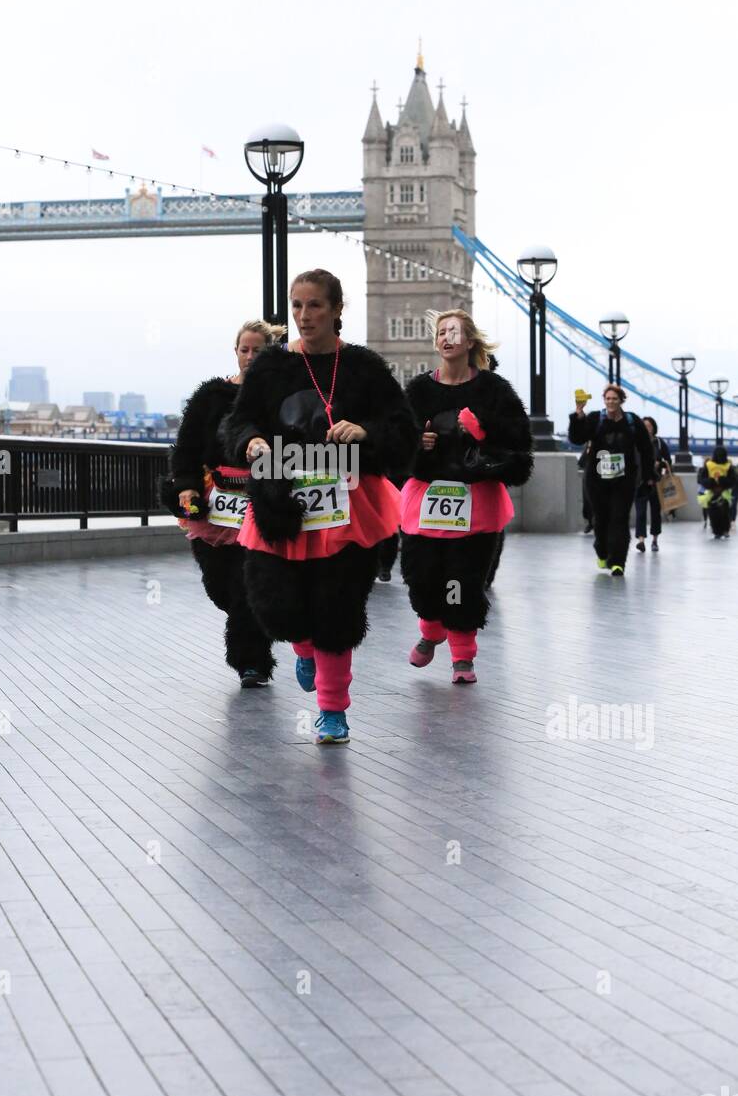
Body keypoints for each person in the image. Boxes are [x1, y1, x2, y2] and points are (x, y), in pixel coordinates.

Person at [225, 268, 417, 743]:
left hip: (348, 507)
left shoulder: (365, 367)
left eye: (314, 305)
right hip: (280, 501)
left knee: (338, 608)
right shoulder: (270, 368)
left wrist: (367, 432)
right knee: (278, 608)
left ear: (336, 311)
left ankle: (333, 710)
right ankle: (303, 648)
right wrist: (249, 442)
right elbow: (239, 421)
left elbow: (403, 431)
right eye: (296, 306)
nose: (303, 316)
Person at [399, 309, 533, 685]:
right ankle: (430, 629)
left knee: (462, 580)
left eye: (454, 332)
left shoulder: (495, 391)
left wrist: (483, 432)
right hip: (426, 501)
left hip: (475, 503)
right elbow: (394, 444)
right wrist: (416, 444)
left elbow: (520, 448)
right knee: (422, 578)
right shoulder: (418, 391)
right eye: (441, 332)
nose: (447, 338)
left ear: (470, 341)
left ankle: (462, 656)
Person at [165, 319, 283, 687]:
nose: (249, 357)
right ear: (235, 352)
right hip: (214, 504)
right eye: (244, 350)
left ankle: (252, 662)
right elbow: (185, 448)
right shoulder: (210, 397)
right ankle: (257, 627)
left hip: (260, 503)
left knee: (248, 585)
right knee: (220, 587)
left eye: (257, 351)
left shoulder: (278, 397)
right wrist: (185, 488)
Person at [569, 384, 655, 576]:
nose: (610, 402)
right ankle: (602, 551)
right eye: (607, 398)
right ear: (604, 400)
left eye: (614, 399)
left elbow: (646, 450)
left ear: (621, 401)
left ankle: (618, 562)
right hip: (597, 480)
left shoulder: (632, 422)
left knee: (619, 519)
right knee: (600, 520)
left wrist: (649, 476)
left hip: (623, 481)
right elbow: (576, 438)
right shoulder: (595, 419)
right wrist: (578, 415)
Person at [634, 415, 672, 553]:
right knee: (640, 513)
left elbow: (668, 462)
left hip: (656, 483)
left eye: (649, 426)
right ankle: (641, 541)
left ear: (654, 428)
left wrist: (659, 463)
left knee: (655, 513)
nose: (646, 428)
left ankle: (655, 540)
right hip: (640, 482)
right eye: (644, 426)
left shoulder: (660, 443)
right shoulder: (636, 442)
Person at [697, 445, 737, 539]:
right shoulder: (709, 465)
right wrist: (711, 483)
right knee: (717, 512)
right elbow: (702, 479)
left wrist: (722, 481)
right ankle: (719, 530)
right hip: (713, 492)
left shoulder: (728, 466)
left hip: (723, 492)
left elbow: (734, 480)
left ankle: (723, 530)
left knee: (722, 512)